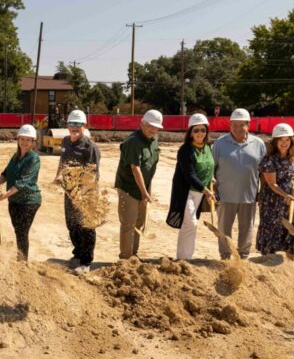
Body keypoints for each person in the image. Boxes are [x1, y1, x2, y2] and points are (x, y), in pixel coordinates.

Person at [212, 108, 266, 259]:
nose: (237, 128)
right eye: (234, 125)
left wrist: (262, 191)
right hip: (225, 196)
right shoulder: (220, 143)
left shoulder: (259, 144)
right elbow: (212, 168)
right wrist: (212, 185)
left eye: (241, 125)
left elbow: (263, 171)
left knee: (247, 229)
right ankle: (225, 256)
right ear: (230, 125)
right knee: (224, 229)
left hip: (249, 196)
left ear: (248, 125)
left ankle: (243, 256)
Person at [55, 109, 102, 274]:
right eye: (72, 124)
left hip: (86, 194)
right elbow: (62, 160)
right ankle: (77, 254)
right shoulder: (66, 142)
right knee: (72, 225)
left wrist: (82, 194)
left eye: (78, 124)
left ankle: (86, 262)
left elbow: (92, 174)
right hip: (69, 192)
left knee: (86, 226)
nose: (75, 127)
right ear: (67, 125)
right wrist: (58, 175)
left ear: (85, 126)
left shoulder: (90, 147)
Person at [166, 113, 215, 260]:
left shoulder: (208, 147)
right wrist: (206, 191)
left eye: (203, 130)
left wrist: (210, 178)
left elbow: (209, 165)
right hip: (186, 191)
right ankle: (184, 258)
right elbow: (190, 175)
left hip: (199, 192)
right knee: (191, 223)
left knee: (189, 225)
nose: (200, 133)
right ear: (190, 132)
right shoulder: (185, 150)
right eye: (196, 130)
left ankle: (185, 257)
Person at [114, 110, 162, 261]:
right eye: (149, 126)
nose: (152, 130)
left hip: (143, 188)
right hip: (129, 188)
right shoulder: (133, 141)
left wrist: (147, 189)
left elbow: (150, 166)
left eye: (155, 127)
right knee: (129, 223)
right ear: (142, 123)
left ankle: (134, 255)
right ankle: (125, 259)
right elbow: (136, 169)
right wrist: (144, 192)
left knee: (139, 223)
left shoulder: (154, 140)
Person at [0, 124, 42, 262]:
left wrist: (5, 195)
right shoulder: (15, 157)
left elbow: (22, 181)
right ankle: (20, 258)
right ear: (18, 139)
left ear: (33, 142)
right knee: (18, 231)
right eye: (22, 139)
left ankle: (22, 261)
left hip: (29, 201)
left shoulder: (33, 158)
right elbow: (6, 173)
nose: (25, 142)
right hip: (14, 201)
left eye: (28, 140)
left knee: (22, 231)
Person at [256, 123, 294, 261]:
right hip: (272, 201)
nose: (284, 143)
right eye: (281, 140)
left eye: (287, 140)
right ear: (275, 141)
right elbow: (271, 183)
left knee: (290, 227)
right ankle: (267, 261)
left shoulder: (291, 158)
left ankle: (290, 265)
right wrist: (285, 195)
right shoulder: (269, 159)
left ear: (291, 141)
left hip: (289, 201)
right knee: (271, 227)